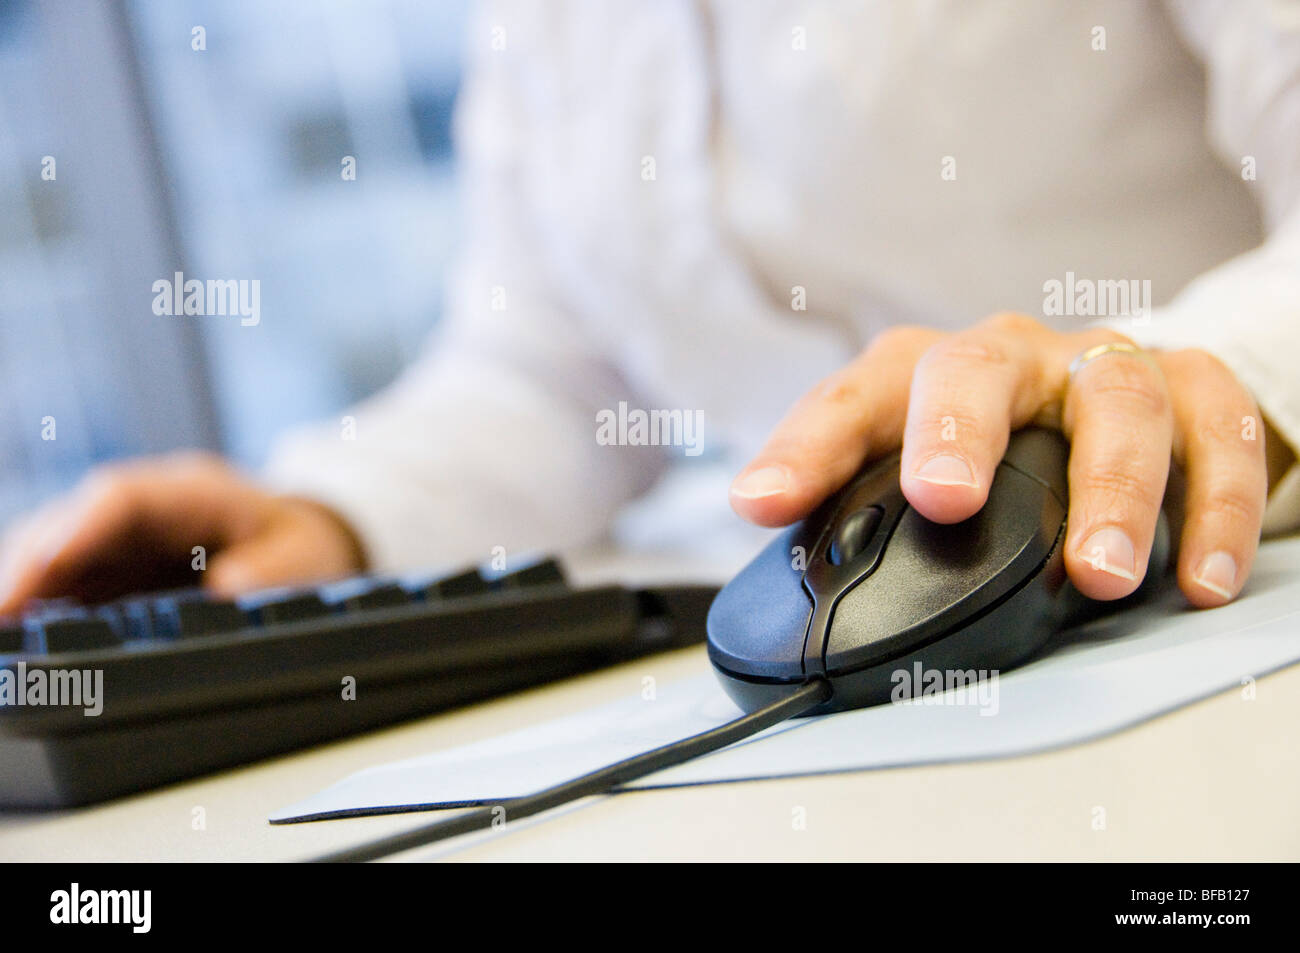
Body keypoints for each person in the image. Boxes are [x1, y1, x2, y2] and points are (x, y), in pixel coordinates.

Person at [2, 0, 1298, 616]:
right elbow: (555, 370)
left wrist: (1202, 368)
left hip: (1185, 599)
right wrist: (332, 513)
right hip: (812, 653)